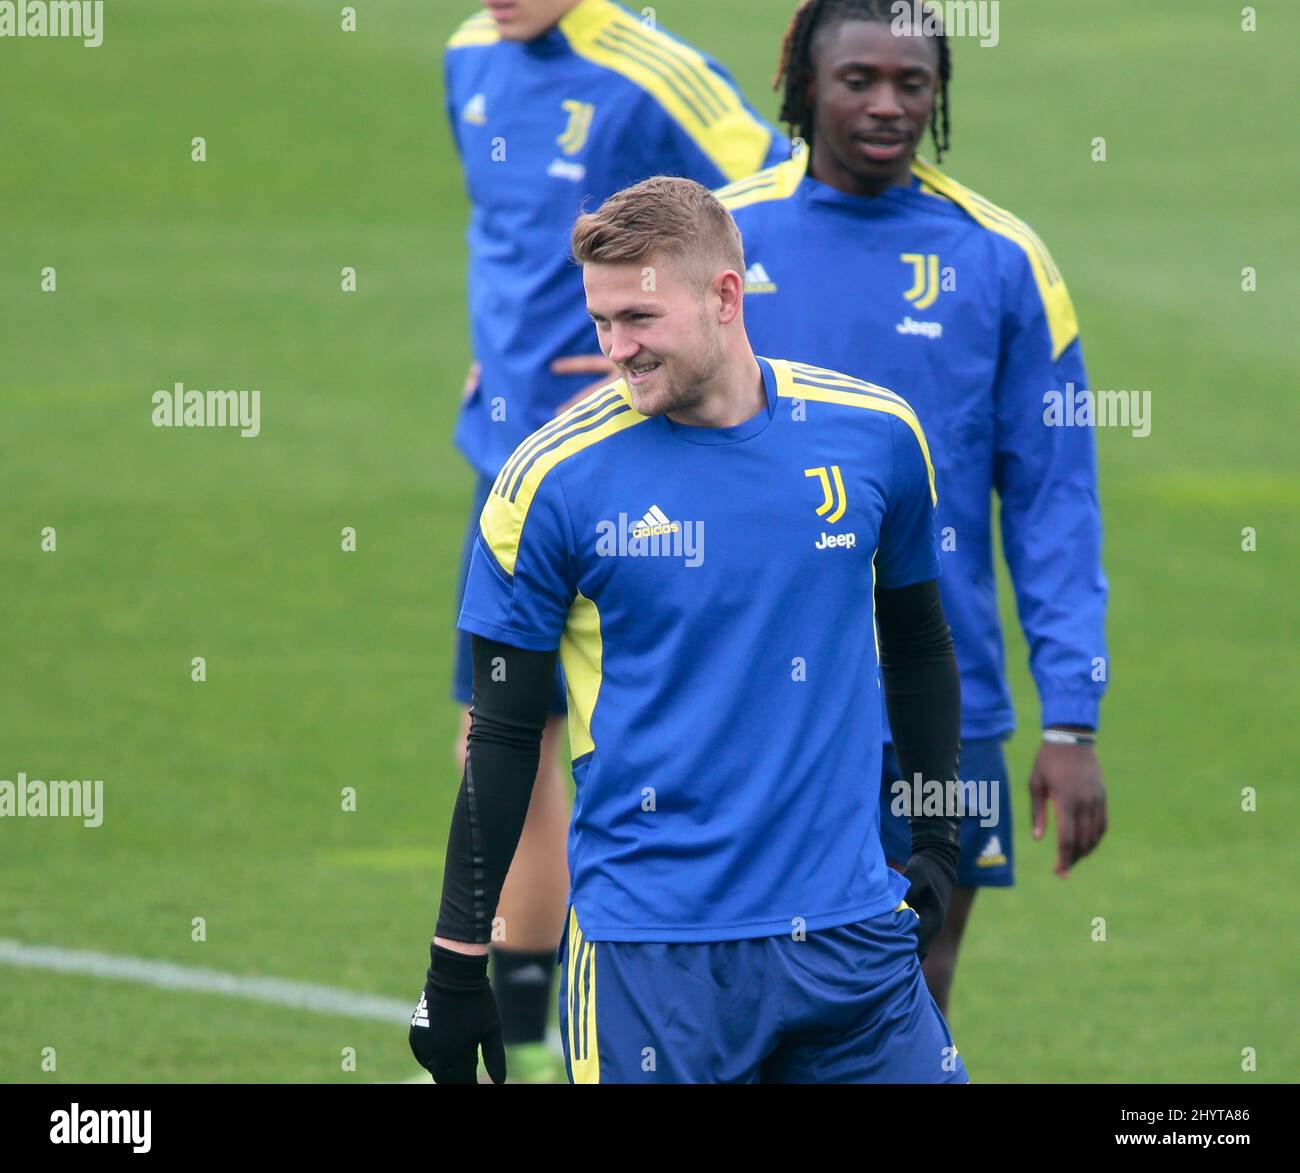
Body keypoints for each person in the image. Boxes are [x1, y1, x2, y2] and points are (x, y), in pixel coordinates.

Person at [410, 176, 968, 1084]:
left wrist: (938, 841)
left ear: (725, 296)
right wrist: (457, 959)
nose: (615, 350)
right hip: (651, 960)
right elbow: (505, 733)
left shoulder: (874, 436)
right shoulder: (551, 481)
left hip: (852, 943)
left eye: (638, 318)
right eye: (600, 322)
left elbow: (919, 646)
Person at [718, 0, 1109, 1016]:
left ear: (940, 95)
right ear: (805, 85)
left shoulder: (1000, 259)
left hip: (942, 702)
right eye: (858, 81)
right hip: (745, 690)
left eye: (913, 83)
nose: (887, 105)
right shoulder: (718, 239)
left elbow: (1054, 501)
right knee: (755, 988)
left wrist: (1071, 720)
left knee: (912, 983)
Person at [442, 0, 787, 1077]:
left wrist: (680, 349)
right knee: (502, 731)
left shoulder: (652, 68)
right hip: (509, 468)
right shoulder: (466, 60)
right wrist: (491, 360)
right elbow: (504, 239)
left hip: (629, 465)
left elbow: (783, 198)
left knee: (646, 739)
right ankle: (529, 1036)